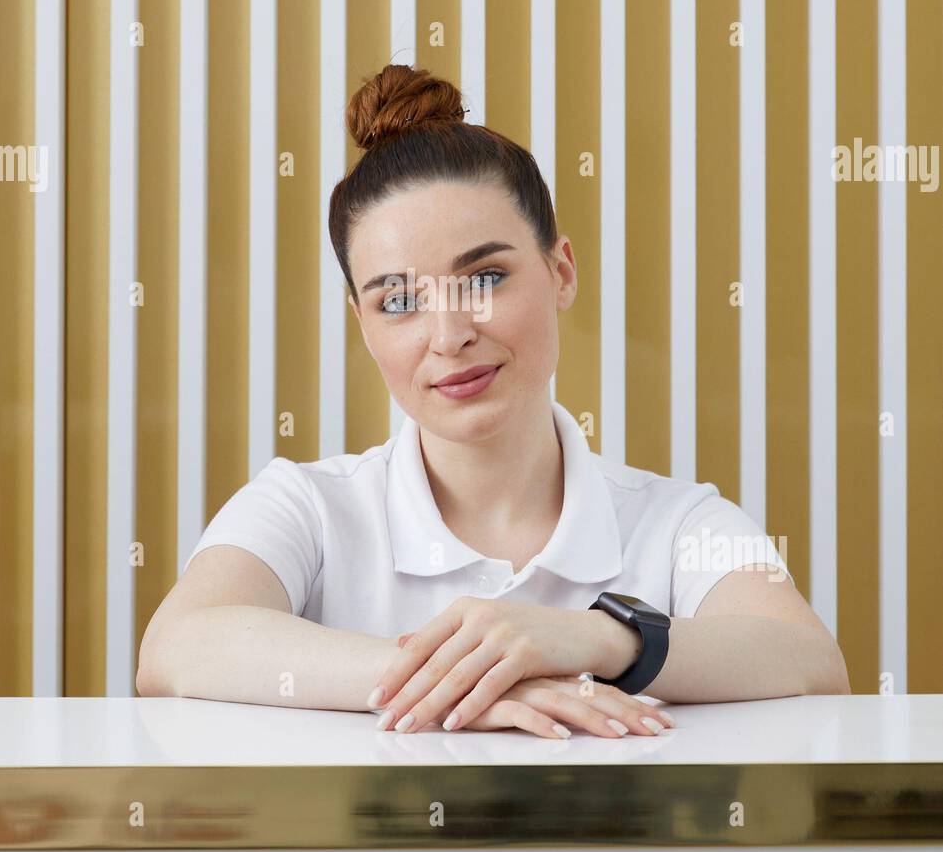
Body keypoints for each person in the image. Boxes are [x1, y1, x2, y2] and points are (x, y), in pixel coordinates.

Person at [137, 63, 850, 736]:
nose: (447, 336)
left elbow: (810, 664)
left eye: (483, 278)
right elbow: (174, 652)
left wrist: (598, 637)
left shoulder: (678, 522)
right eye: (400, 301)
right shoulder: (304, 505)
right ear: (362, 322)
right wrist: (474, 680)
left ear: (559, 271)